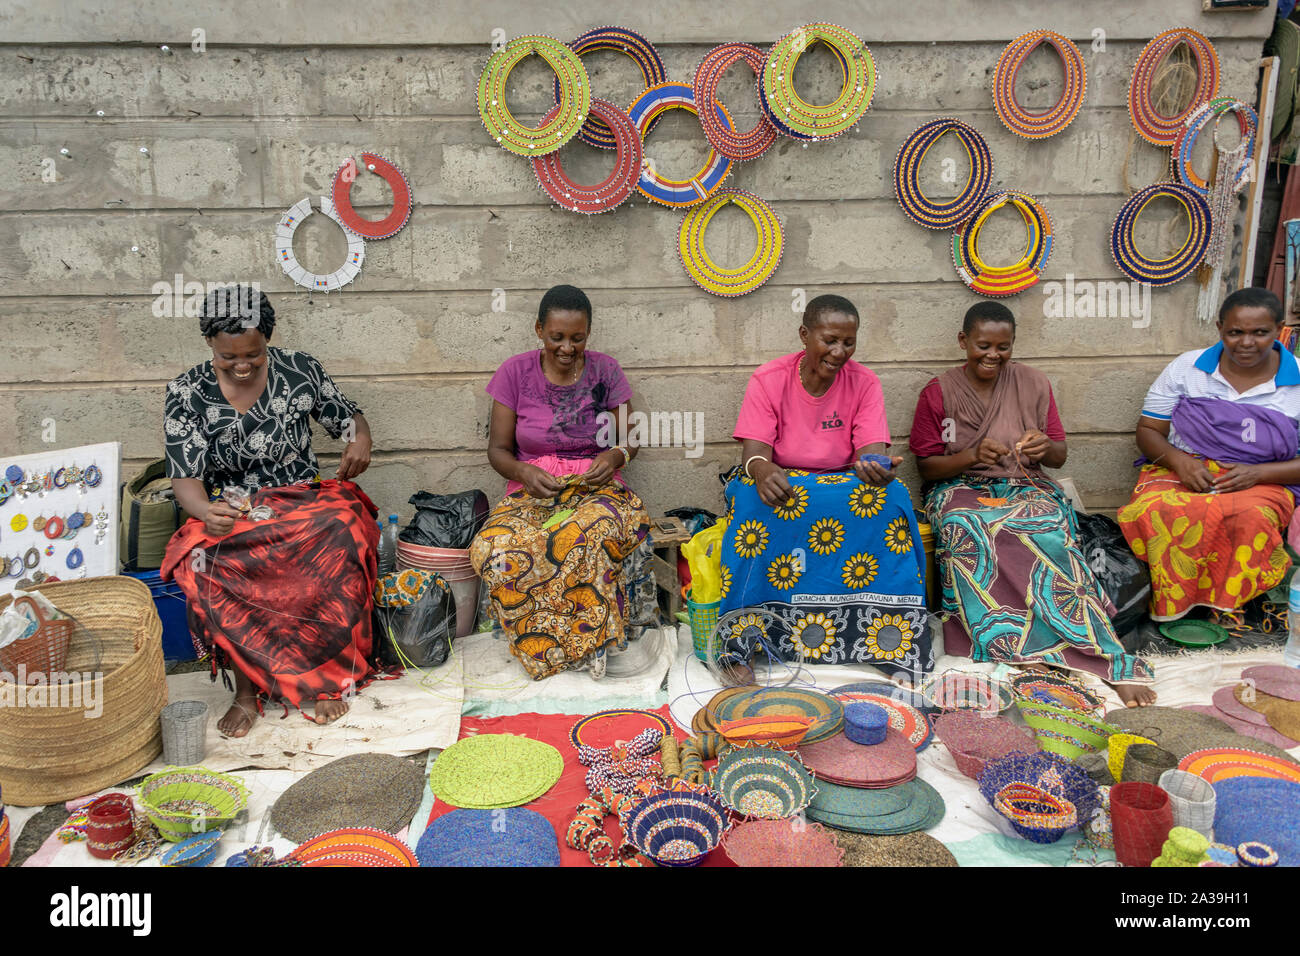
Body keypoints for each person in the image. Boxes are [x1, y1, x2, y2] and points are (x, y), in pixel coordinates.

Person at [160, 285, 380, 737]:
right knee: (209, 560)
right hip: (232, 508)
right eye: (228, 358)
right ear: (210, 345)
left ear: (268, 340)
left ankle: (320, 681)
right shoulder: (186, 393)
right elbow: (185, 476)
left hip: (301, 500)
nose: (242, 366)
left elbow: (347, 419)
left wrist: (360, 437)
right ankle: (246, 691)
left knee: (342, 532)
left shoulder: (300, 371)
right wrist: (204, 511)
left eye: (253, 356)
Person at [910, 302, 1155, 706]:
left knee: (1048, 526)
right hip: (958, 486)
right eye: (983, 345)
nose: (993, 355)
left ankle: (1101, 656)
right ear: (963, 341)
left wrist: (1045, 446)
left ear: (1012, 345)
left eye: (1002, 347)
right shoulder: (939, 392)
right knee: (965, 525)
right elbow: (927, 468)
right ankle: (1007, 642)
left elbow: (1058, 455)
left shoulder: (1034, 383)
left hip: (1026, 483)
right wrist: (970, 456)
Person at [717, 294, 932, 679]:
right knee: (751, 499)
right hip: (779, 477)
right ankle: (741, 646)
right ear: (804, 334)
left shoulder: (864, 382)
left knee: (893, 497)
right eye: (829, 340)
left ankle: (889, 640)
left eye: (848, 342)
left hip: (840, 482)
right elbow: (754, 452)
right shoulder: (769, 378)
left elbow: (871, 451)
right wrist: (762, 470)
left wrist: (877, 467)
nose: (839, 351)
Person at [469, 285, 649, 680]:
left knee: (587, 533)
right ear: (539, 330)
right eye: (557, 337)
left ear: (588, 333)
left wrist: (615, 456)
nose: (567, 347)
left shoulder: (606, 371)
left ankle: (591, 642)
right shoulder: (514, 373)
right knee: (493, 547)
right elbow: (498, 450)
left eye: (577, 338)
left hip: (596, 489)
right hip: (535, 489)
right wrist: (523, 472)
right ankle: (547, 649)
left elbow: (631, 437)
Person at [1119, 287, 1300, 630]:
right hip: (1184, 468)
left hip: (1266, 478)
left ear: (1278, 330)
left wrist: (1257, 474)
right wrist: (1180, 462)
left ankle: (1230, 605)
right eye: (1235, 332)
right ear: (1220, 328)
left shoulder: (1297, 380)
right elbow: (1147, 430)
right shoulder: (1188, 368)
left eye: (1260, 332)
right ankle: (1172, 606)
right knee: (1156, 510)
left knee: (1250, 517)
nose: (1246, 342)